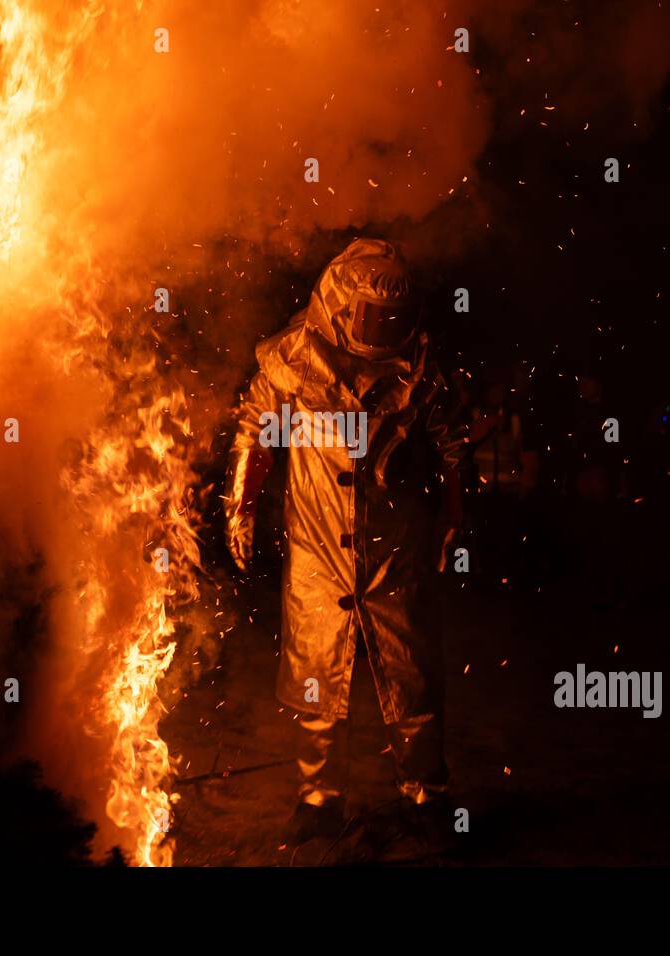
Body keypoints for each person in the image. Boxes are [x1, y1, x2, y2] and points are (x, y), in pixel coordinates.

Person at [224, 238, 465, 843]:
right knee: (316, 681)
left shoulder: (417, 368)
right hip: (317, 548)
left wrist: (454, 517)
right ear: (339, 306)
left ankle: (427, 797)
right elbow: (256, 431)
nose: (384, 330)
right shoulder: (294, 360)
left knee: (410, 678)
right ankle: (318, 800)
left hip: (394, 549)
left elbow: (452, 447)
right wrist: (241, 508)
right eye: (372, 317)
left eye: (393, 319)